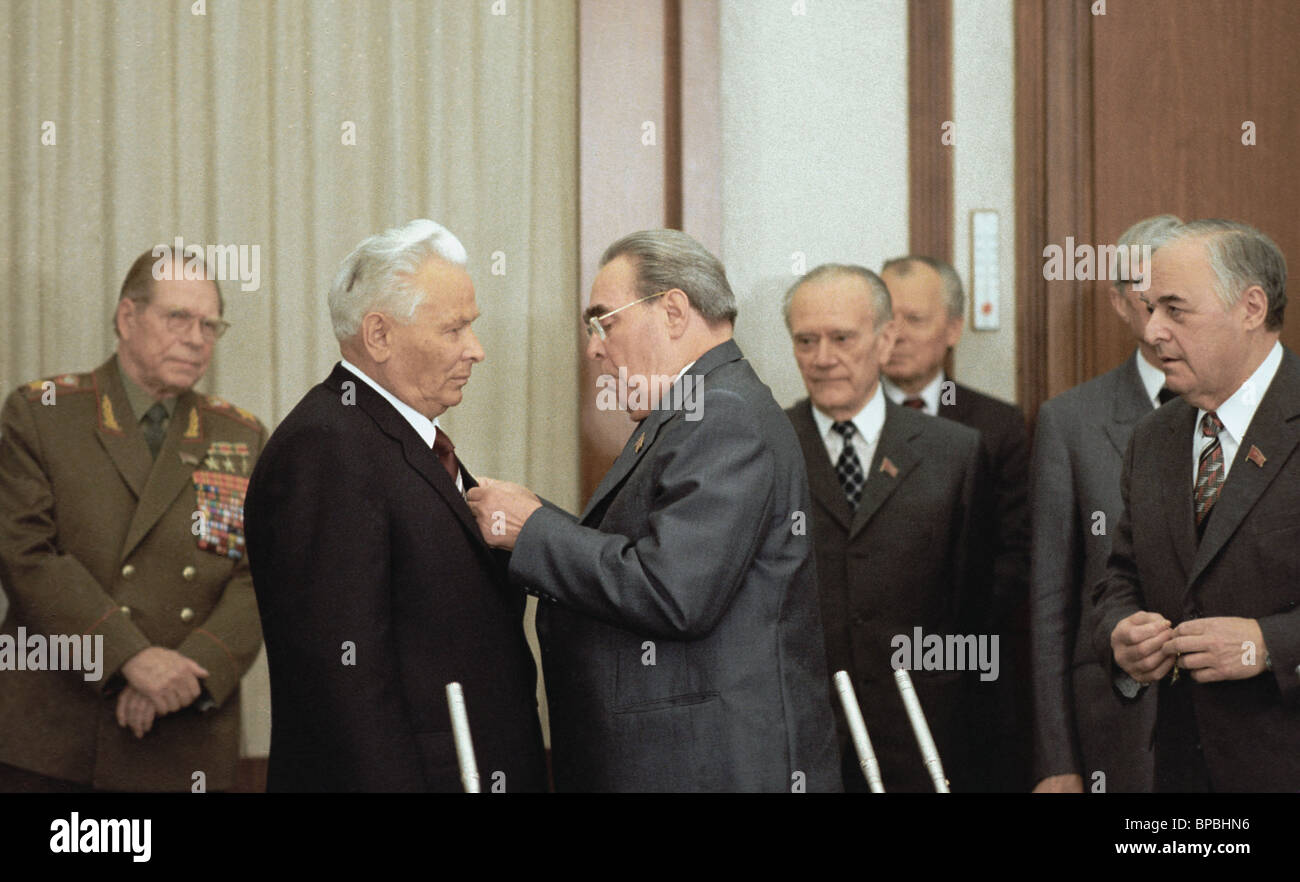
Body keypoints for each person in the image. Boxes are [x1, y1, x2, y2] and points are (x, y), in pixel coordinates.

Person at [465, 229, 840, 792]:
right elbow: (649, 556)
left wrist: (532, 530)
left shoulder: (724, 414)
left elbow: (674, 591)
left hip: (712, 768)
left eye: (604, 322)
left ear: (672, 310)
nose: (594, 347)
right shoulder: (697, 410)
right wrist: (538, 517)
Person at [243, 219, 546, 792]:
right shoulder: (326, 448)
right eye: (454, 329)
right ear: (378, 335)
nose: (476, 351)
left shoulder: (391, 438)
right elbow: (343, 686)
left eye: (472, 328)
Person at [0, 246, 265, 792]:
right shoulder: (43, 414)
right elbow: (28, 557)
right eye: (178, 318)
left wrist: (189, 672)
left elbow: (259, 575)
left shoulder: (239, 435)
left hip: (186, 729)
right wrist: (129, 657)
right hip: (59, 737)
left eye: (210, 325)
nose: (196, 338)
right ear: (127, 317)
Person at [1093, 219, 1300, 792]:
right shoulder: (1154, 437)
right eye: (1149, 308)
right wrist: (1121, 635)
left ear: (1251, 307)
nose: (1153, 330)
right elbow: (1121, 576)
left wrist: (1269, 646)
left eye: (1175, 310)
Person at [782, 263, 992, 792]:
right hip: (801, 744)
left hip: (924, 741)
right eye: (806, 340)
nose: (822, 358)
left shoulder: (955, 452)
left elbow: (974, 607)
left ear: (885, 339)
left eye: (841, 338)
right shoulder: (767, 449)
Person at [1030, 214, 1182, 794]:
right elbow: (1051, 602)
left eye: (1181, 299)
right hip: (1119, 733)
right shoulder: (1070, 421)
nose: (1166, 319)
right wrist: (1055, 760)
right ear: (1121, 303)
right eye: (1150, 300)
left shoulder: (1261, 411)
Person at [879, 255, 1031, 791]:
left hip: (967, 677)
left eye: (913, 320)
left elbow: (1016, 556)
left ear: (953, 329)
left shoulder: (998, 426)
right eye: (886, 319)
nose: (894, 335)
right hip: (867, 671)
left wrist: (941, 640)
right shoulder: (846, 422)